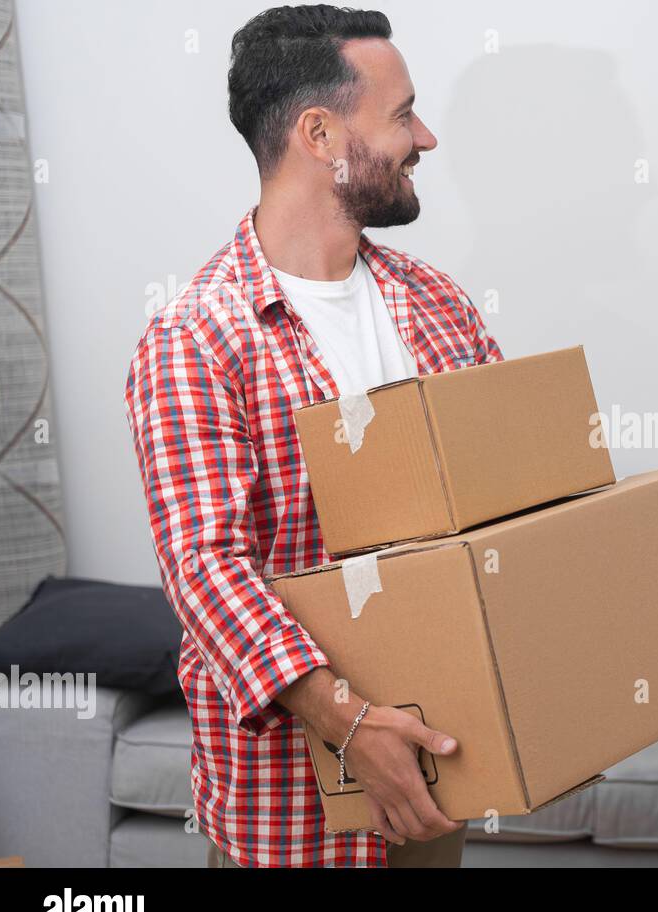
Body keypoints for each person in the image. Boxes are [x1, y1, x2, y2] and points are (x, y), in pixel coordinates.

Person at [123, 5, 501, 867]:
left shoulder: (438, 303)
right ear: (321, 133)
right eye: (403, 114)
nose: (427, 138)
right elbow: (209, 569)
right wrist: (349, 723)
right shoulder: (196, 336)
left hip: (437, 777)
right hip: (290, 816)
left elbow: (506, 504)